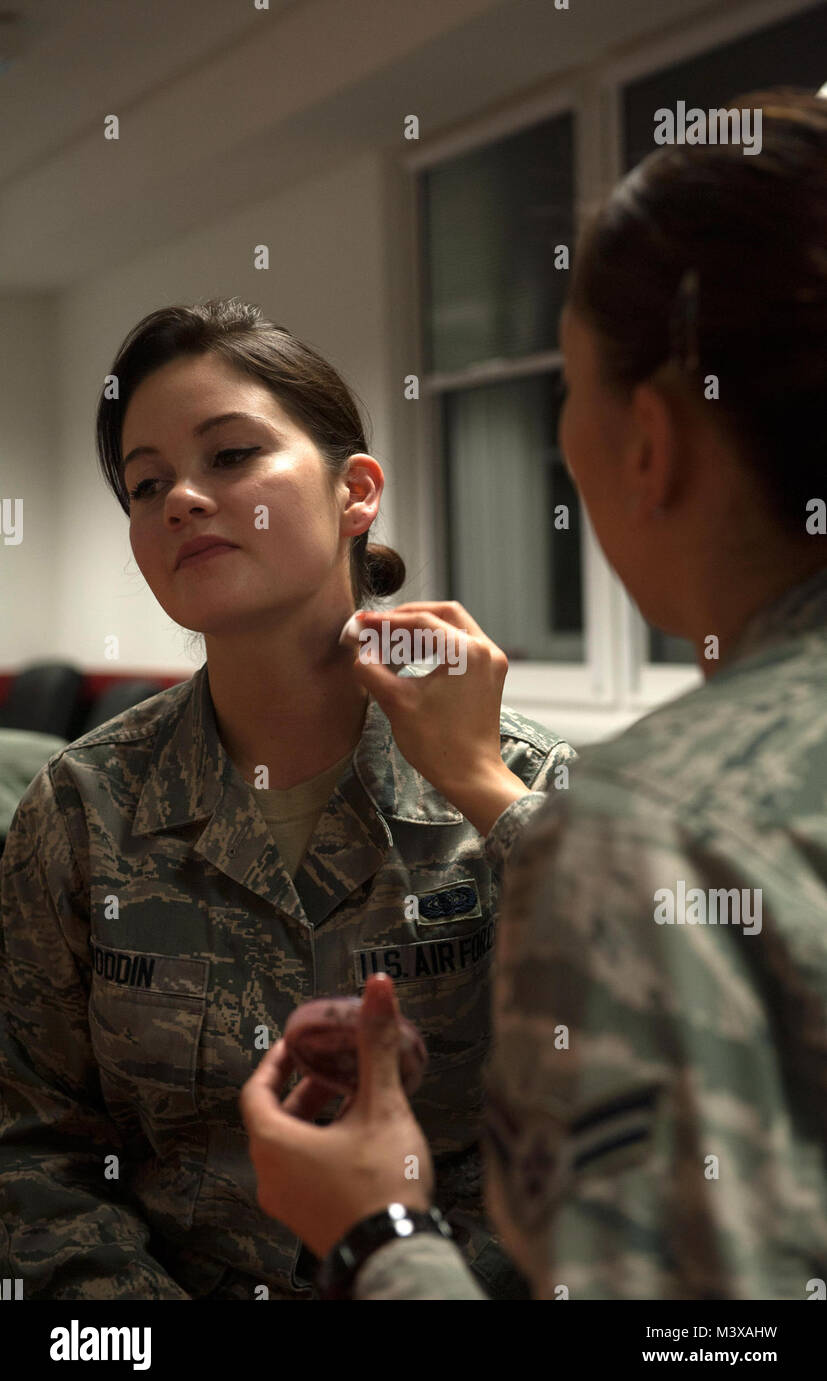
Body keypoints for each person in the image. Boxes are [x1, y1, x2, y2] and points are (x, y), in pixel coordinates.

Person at [240, 87, 827, 1299]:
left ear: (649, 440)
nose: (190, 503)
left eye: (565, 384)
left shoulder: (648, 822)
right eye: (144, 480)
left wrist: (371, 1235)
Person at [0, 300, 575, 1300]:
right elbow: (30, 1146)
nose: (180, 497)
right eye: (145, 483)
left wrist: (486, 793)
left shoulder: (525, 786)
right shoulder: (80, 809)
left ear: (355, 492)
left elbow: (672, 1081)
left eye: (228, 456)